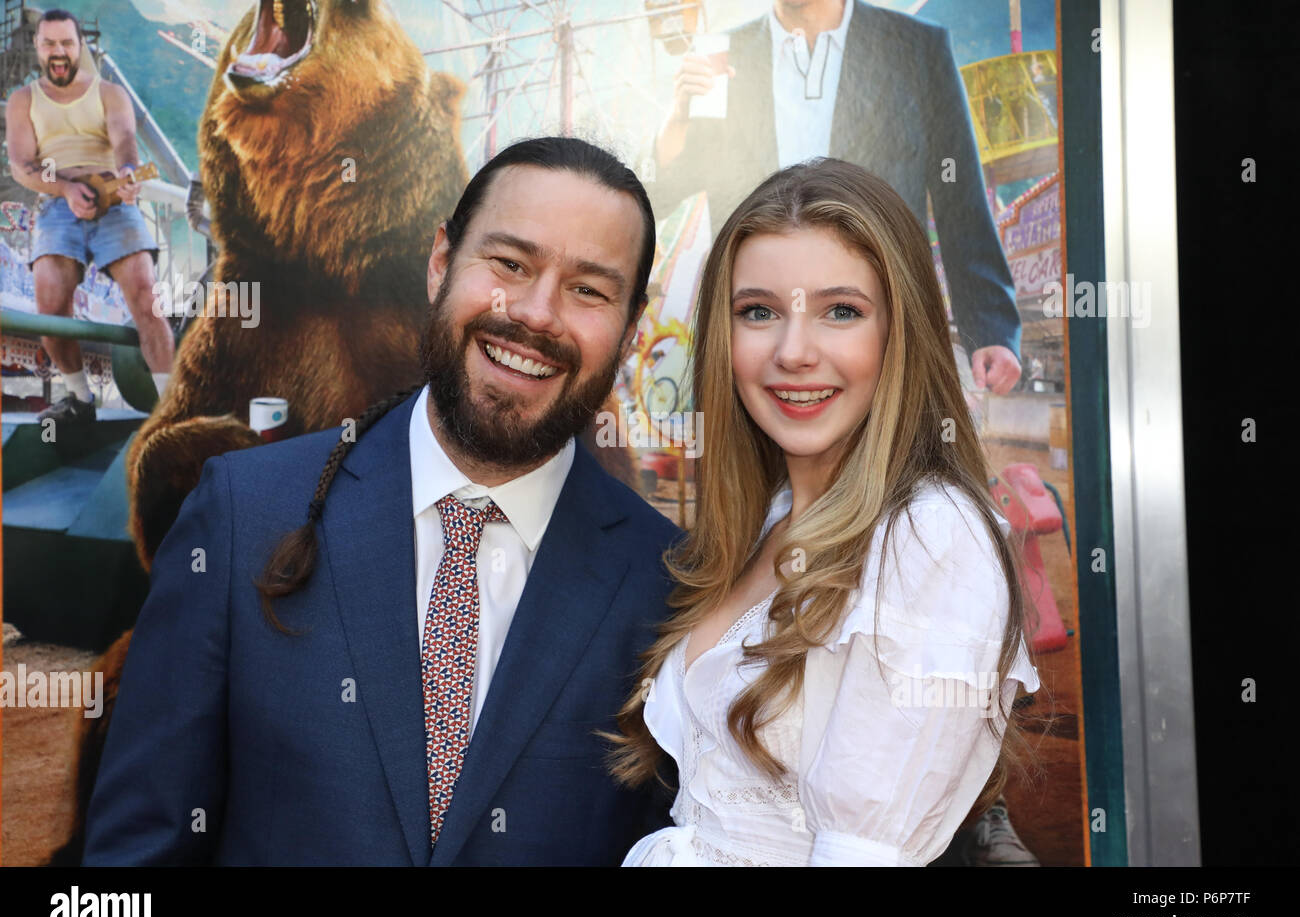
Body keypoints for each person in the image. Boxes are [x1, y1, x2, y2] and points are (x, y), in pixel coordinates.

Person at [82, 137, 679, 865]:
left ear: (630, 326)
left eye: (589, 289)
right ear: (440, 263)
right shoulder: (243, 516)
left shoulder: (666, 584)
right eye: (510, 264)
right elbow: (132, 863)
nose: (536, 313)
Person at [608, 158, 1041, 866]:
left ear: (899, 333)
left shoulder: (930, 536)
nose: (793, 352)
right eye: (759, 312)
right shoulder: (762, 524)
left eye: (841, 311)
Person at [643, 0, 1022, 396]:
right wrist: (678, 121)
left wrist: (990, 326)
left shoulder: (916, 48)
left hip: (880, 330)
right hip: (758, 333)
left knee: (887, 455)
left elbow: (959, 196)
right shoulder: (722, 55)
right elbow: (659, 196)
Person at [5, 8, 173, 424]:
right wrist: (64, 186)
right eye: (49, 44)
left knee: (146, 299)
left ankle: (172, 406)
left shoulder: (110, 93)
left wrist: (129, 173)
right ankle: (80, 399)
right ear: (38, 48)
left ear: (80, 46)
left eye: (66, 43)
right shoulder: (22, 101)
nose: (58, 52)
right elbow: (23, 164)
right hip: (56, 204)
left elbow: (125, 141)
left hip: (114, 201)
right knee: (49, 302)